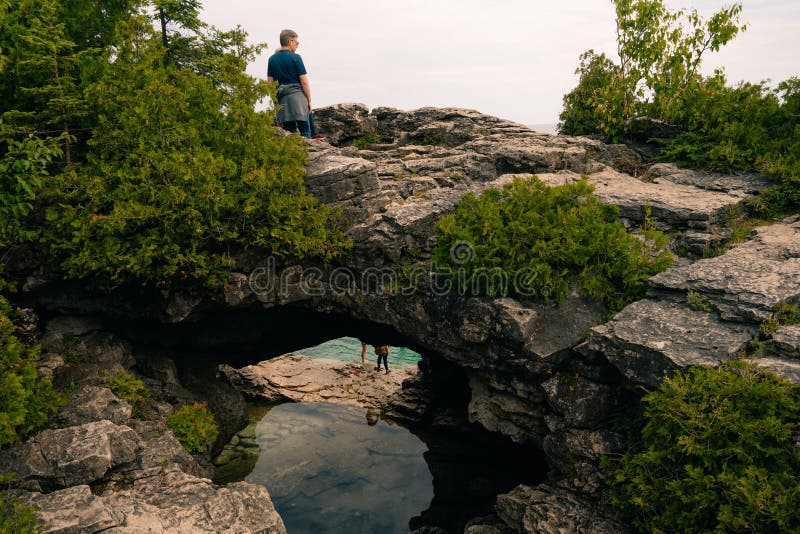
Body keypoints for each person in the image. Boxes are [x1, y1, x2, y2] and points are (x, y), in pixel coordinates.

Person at [267, 29, 323, 139]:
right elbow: (304, 81)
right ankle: (307, 153)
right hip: (298, 98)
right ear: (290, 42)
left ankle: (293, 155)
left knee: (290, 134)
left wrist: (275, 102)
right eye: (296, 43)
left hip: (282, 100)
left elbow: (270, 84)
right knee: (305, 130)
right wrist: (309, 100)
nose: (297, 45)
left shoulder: (272, 59)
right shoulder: (296, 57)